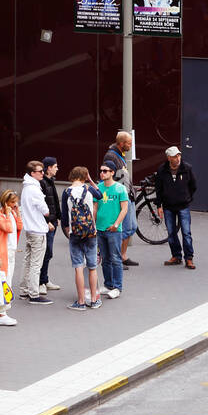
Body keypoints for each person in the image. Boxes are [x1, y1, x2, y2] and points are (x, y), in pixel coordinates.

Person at [61, 166, 104, 309]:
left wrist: (68, 232)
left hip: (75, 233)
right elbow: (100, 195)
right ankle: (94, 299)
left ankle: (80, 302)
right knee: (92, 267)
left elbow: (64, 217)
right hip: (91, 232)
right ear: (85, 176)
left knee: (78, 267)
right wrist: (91, 181)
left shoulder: (66, 192)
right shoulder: (89, 189)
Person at [155, 145, 198, 269]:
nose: (178, 158)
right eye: (174, 156)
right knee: (171, 233)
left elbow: (193, 186)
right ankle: (176, 256)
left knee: (186, 233)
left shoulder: (187, 168)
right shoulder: (162, 170)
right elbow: (159, 189)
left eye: (179, 155)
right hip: (168, 206)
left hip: (183, 205)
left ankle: (189, 258)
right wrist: (159, 206)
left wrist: (187, 198)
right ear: (169, 158)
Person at [17, 161, 53, 303]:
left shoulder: (26, 187)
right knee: (36, 264)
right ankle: (34, 294)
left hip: (30, 229)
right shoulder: (34, 189)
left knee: (27, 261)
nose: (43, 173)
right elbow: (45, 210)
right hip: (37, 230)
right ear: (32, 173)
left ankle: (24, 290)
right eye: (40, 171)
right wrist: (48, 214)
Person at [103, 132, 138, 269]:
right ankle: (117, 258)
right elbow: (108, 176)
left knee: (131, 227)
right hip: (121, 197)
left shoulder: (120, 155)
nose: (130, 146)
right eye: (129, 143)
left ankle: (123, 255)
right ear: (121, 143)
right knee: (125, 228)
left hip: (128, 195)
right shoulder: (111, 155)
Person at [96, 163, 129, 299]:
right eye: (101, 170)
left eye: (105, 171)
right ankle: (108, 284)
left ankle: (117, 287)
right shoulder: (98, 188)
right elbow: (95, 207)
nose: (102, 173)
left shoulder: (120, 189)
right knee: (105, 259)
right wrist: (93, 224)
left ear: (112, 173)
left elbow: (124, 209)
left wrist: (116, 224)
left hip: (114, 230)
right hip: (100, 228)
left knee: (115, 258)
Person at [0, 189, 23, 324]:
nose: (15, 204)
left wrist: (17, 213)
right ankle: (1, 315)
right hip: (2, 253)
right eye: (13, 202)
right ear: (5, 202)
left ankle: (3, 312)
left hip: (10, 252)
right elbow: (8, 228)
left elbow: (19, 226)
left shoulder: (12, 213)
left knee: (7, 282)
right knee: (3, 283)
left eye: (16, 202)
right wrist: (9, 215)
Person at [38, 157, 62, 295]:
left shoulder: (49, 181)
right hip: (47, 223)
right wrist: (46, 222)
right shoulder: (42, 183)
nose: (57, 169)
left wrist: (57, 217)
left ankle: (45, 280)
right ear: (48, 168)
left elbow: (53, 202)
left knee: (48, 252)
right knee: (45, 252)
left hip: (52, 222)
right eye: (55, 166)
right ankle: (41, 282)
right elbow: (40, 206)